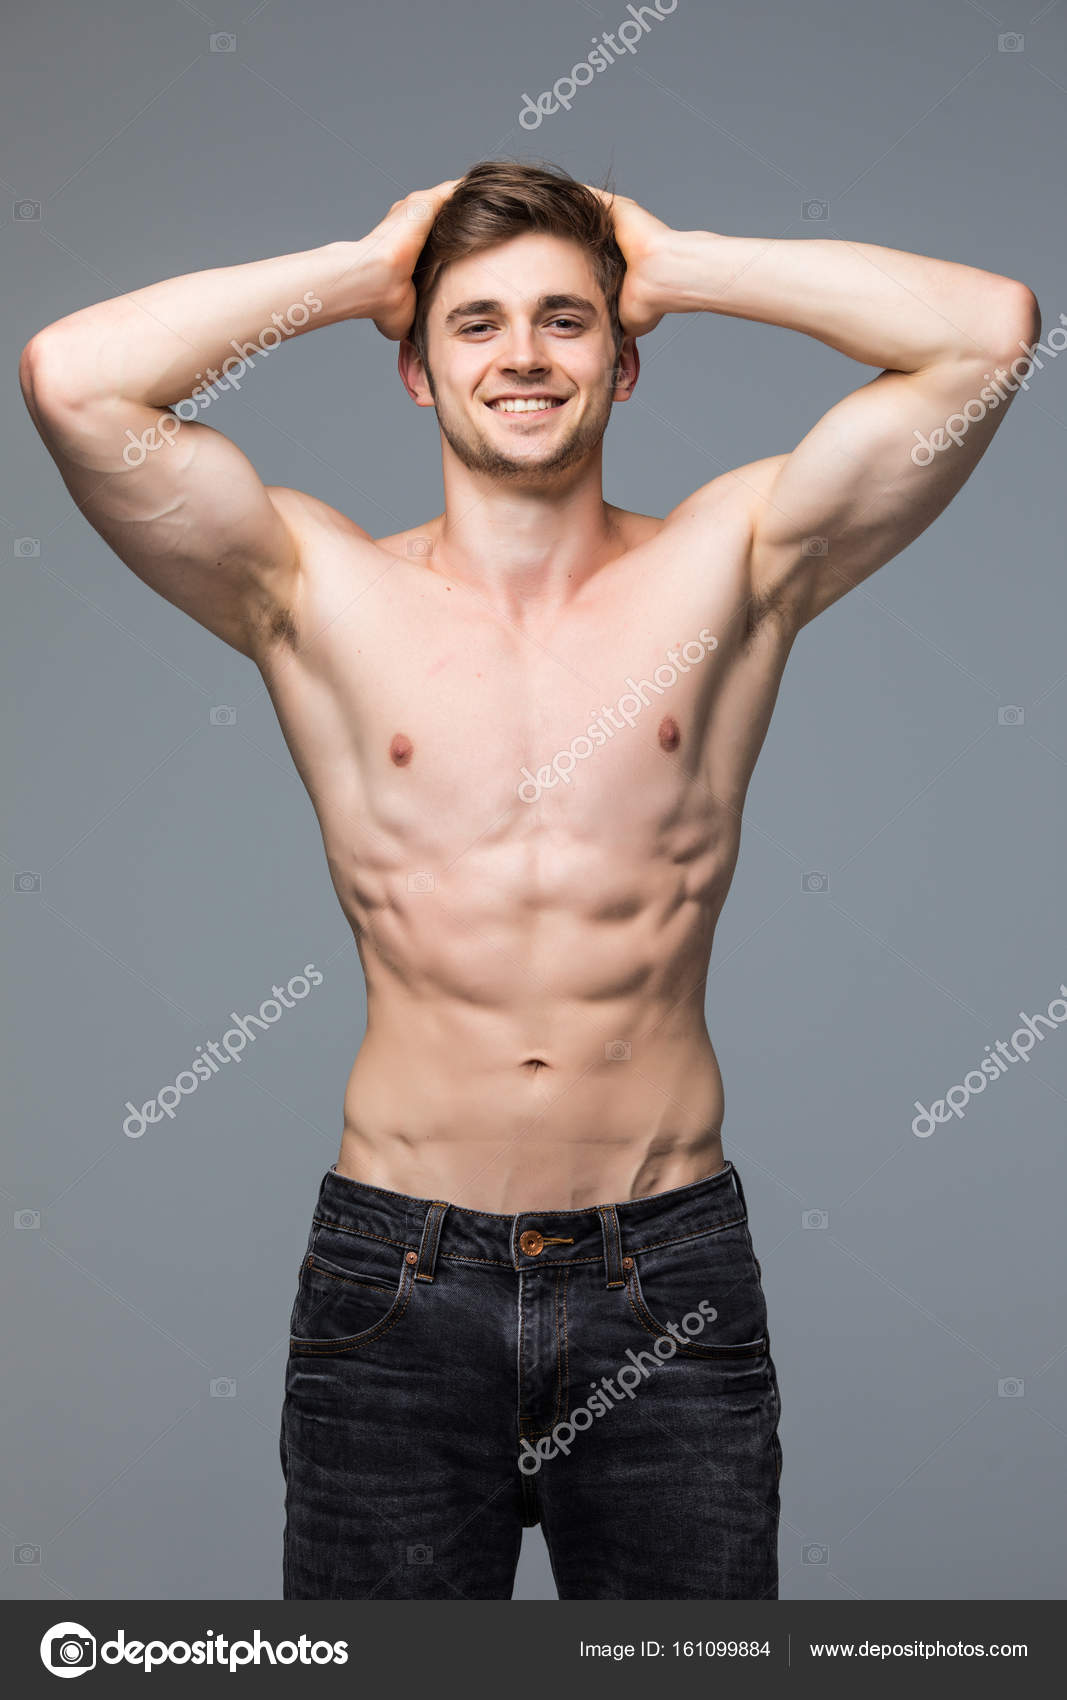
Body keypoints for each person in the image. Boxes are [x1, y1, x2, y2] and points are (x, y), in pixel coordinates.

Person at [19, 160, 1037, 1600]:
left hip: (664, 1272)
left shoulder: (730, 563)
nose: (523, 357)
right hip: (398, 1279)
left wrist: (677, 258)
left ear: (624, 364)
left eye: (567, 321)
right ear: (416, 373)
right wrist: (366, 263)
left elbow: (989, 333)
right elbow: (72, 380)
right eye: (475, 323)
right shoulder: (314, 588)